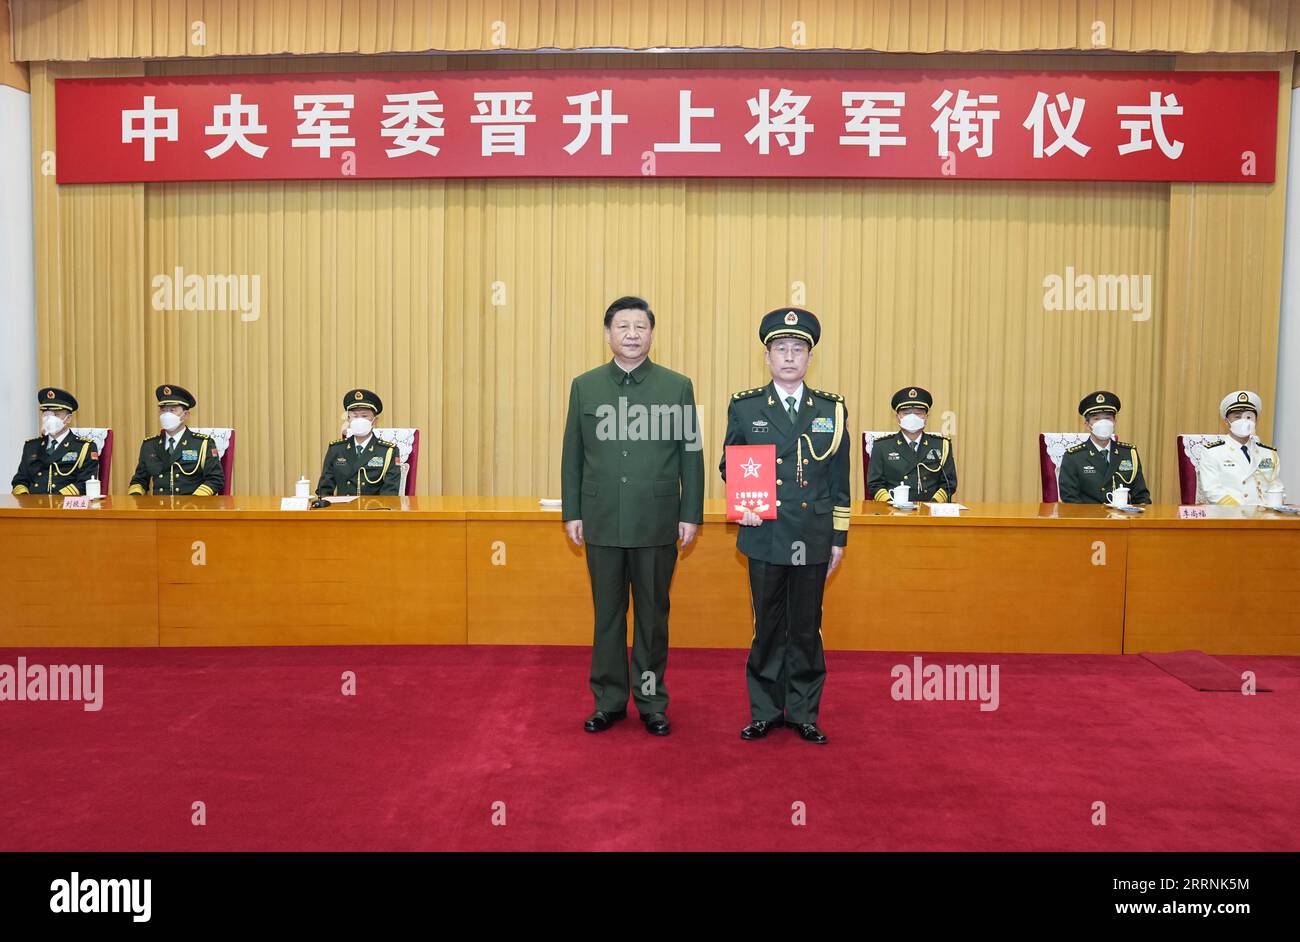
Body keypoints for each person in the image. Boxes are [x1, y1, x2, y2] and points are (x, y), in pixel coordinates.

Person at [561, 296, 704, 737]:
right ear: (607, 335)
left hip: (657, 518)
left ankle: (650, 700)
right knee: (607, 615)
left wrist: (691, 513)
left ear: (651, 334)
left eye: (640, 327)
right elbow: (572, 454)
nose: (631, 334)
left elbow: (691, 455)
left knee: (651, 614)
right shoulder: (585, 385)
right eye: (622, 326)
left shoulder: (676, 386)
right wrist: (572, 510)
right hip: (601, 516)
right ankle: (608, 701)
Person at [721, 307, 850, 745]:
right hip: (765, 532)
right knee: (767, 626)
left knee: (807, 626)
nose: (790, 357)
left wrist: (839, 537)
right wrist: (744, 505)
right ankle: (764, 710)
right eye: (781, 349)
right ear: (768, 356)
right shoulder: (747, 405)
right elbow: (729, 463)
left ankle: (803, 712)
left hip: (812, 534)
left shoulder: (831, 408)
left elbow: (839, 479)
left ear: (810, 358)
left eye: (798, 349)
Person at [127, 384, 224, 496]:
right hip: (159, 509)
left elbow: (215, 479)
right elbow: (139, 480)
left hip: (191, 507)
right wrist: (135, 499)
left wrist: (195, 500)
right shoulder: (149, 445)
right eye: (163, 410)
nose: (166, 415)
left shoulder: (203, 444)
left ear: (185, 415)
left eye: (172, 410)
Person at [1057, 390, 1150, 505]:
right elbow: (1070, 500)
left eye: (1107, 418)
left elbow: (1141, 497)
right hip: (1089, 520)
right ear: (1087, 425)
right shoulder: (1074, 457)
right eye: (1096, 419)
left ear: (1114, 422)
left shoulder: (1128, 453)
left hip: (1123, 519)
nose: (1103, 423)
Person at [867, 386, 957, 502]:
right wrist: (891, 504)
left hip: (931, 511)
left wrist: (933, 505)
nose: (912, 417)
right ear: (898, 418)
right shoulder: (882, 446)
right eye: (906, 413)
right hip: (892, 512)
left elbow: (949, 483)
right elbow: (875, 484)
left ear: (926, 417)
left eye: (918, 413)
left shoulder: (941, 445)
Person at [1196, 390, 1282, 505]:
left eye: (1249, 417)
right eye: (1237, 417)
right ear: (1227, 422)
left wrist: (1274, 509)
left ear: (1256, 420)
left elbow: (1275, 486)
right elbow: (1212, 491)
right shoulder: (1212, 452)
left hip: (1263, 517)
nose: (1244, 421)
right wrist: (1242, 513)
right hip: (1229, 516)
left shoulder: (1268, 453)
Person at [11, 387, 100, 496]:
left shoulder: (84, 447)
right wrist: (26, 500)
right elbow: (19, 481)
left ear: (68, 419)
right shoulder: (31, 446)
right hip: (33, 508)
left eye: (56, 414)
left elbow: (85, 484)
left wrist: (56, 501)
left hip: (64, 507)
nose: (49, 419)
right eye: (46, 414)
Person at [317, 389, 401, 496]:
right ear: (348, 419)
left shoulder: (388, 451)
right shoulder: (336, 449)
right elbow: (324, 489)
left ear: (374, 420)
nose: (359, 420)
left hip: (373, 510)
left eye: (364, 416)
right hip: (343, 511)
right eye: (355, 416)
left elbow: (390, 492)